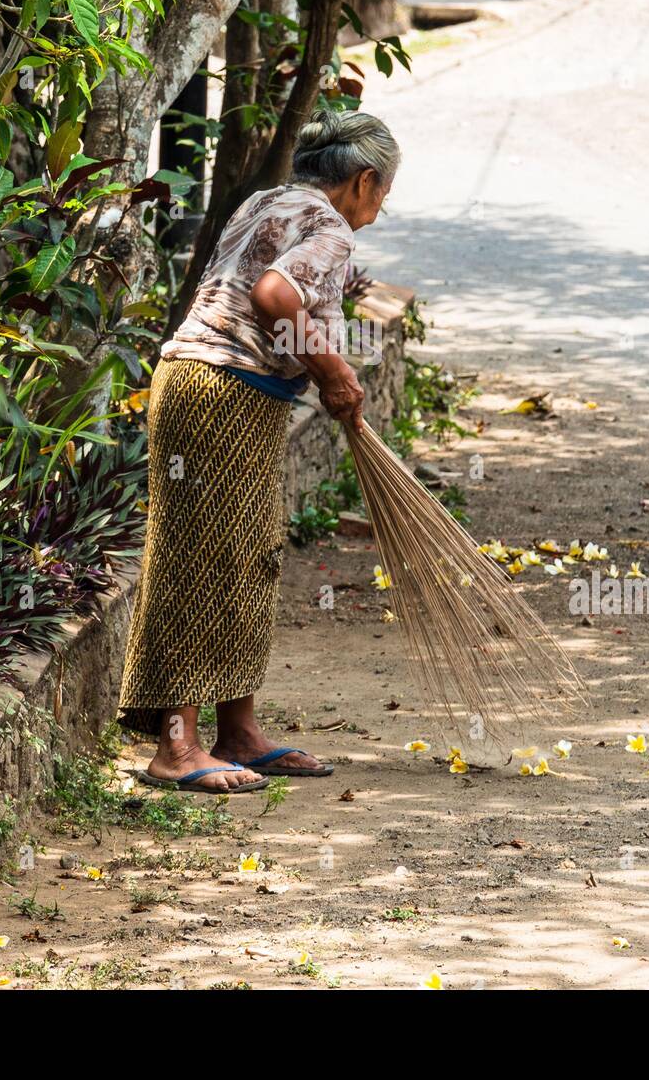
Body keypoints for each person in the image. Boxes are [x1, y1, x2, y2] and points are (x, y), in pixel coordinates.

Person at [118, 110, 401, 791]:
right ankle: (177, 749)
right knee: (201, 563)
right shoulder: (328, 225)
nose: (379, 210)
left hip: (214, 390)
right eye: (384, 193)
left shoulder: (268, 199)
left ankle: (238, 732)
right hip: (221, 392)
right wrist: (333, 370)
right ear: (363, 181)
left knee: (250, 556)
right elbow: (274, 295)